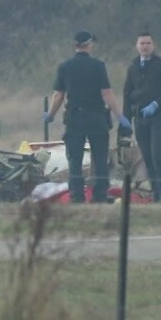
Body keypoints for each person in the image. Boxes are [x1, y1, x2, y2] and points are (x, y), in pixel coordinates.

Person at [48, 30, 121, 204]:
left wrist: (50, 115)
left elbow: (58, 95)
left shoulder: (65, 66)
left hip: (75, 118)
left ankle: (77, 197)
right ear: (90, 45)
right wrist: (119, 115)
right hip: (97, 117)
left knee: (75, 160)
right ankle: (100, 196)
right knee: (100, 158)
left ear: (75, 46)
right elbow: (107, 93)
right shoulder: (98, 66)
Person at [122, 31, 161, 203]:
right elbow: (127, 94)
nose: (145, 46)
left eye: (148, 43)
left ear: (153, 46)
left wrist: (156, 103)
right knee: (147, 156)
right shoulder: (133, 68)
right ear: (137, 46)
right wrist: (125, 121)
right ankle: (155, 193)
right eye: (142, 43)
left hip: (159, 116)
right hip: (140, 118)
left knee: (157, 155)